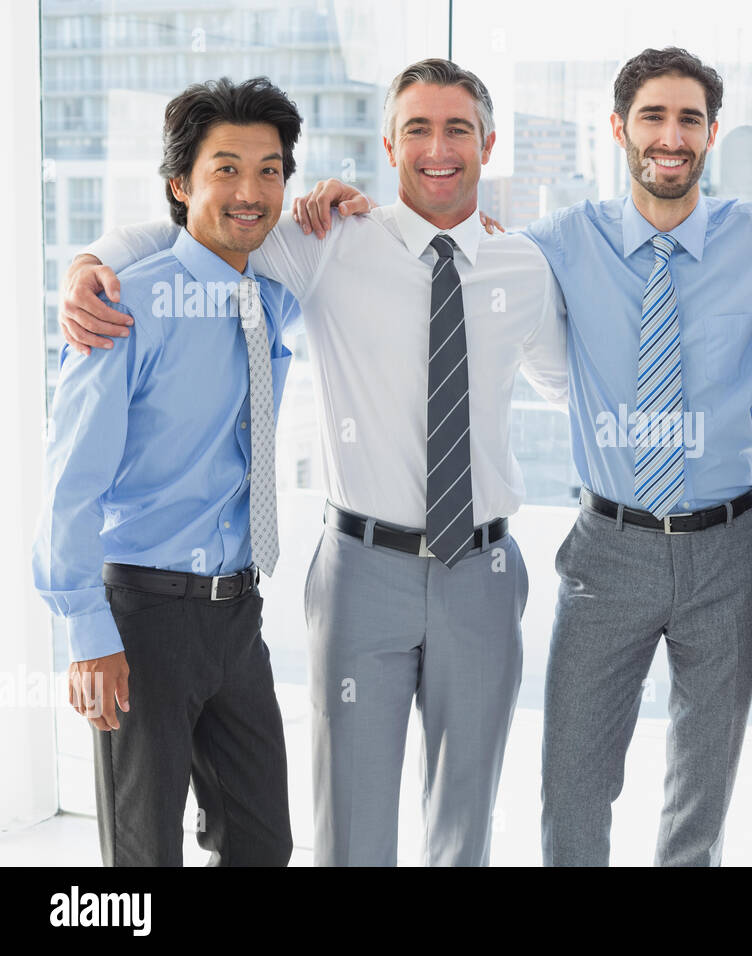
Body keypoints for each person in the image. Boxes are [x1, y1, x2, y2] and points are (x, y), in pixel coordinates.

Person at [296, 46, 752, 866]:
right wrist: (346, 202)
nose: (670, 136)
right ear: (619, 129)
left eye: (689, 118)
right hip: (607, 549)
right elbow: (461, 252)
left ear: (712, 132)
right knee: (573, 785)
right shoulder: (554, 245)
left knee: (701, 791)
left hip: (730, 549)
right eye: (652, 116)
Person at [57, 59, 568, 866]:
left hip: (461, 572)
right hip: (330, 574)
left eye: (458, 128)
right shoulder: (320, 247)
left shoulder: (520, 267)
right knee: (306, 835)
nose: (438, 147)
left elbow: (574, 380)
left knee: (427, 823)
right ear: (389, 145)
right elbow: (206, 234)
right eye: (418, 130)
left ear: (489, 143)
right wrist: (90, 261)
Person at [33, 76, 302, 866]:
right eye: (226, 169)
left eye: (271, 170)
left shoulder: (274, 300)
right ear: (181, 186)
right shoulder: (123, 306)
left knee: (261, 842)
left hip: (239, 613)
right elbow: (69, 482)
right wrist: (86, 634)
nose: (251, 192)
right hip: (141, 617)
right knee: (143, 858)